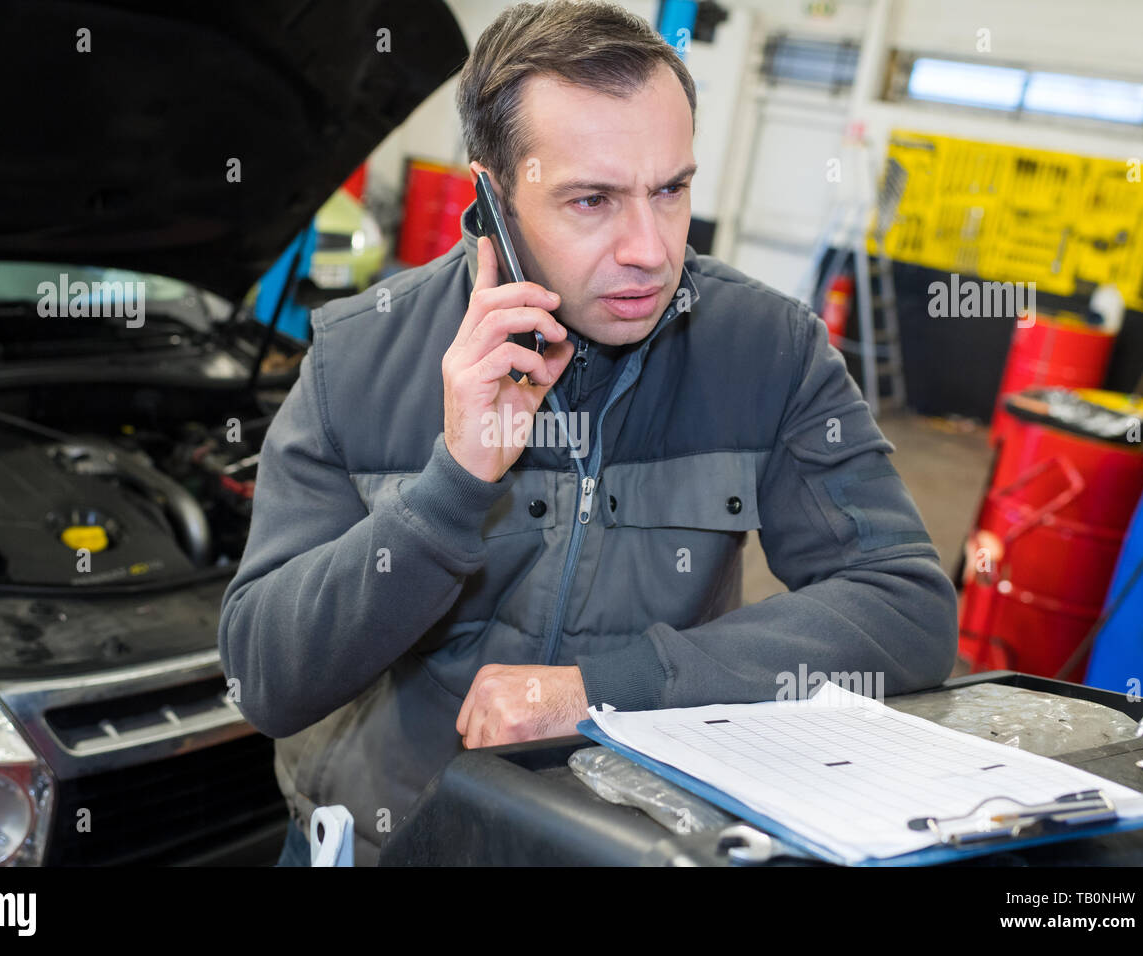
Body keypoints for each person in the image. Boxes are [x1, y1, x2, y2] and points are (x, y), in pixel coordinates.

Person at [219, 0, 958, 868]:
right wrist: (453, 483)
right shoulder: (359, 358)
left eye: (671, 190)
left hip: (634, 851)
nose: (650, 247)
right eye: (592, 199)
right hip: (385, 848)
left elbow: (906, 607)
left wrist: (607, 693)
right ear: (492, 196)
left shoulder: (765, 351)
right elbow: (265, 681)